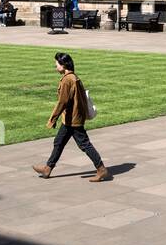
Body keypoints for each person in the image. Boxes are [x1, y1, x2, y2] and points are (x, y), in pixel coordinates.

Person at [32, 52, 111, 182]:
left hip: (73, 120)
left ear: (63, 65)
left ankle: (101, 169)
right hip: (71, 118)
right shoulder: (73, 77)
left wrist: (52, 119)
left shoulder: (67, 80)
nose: (55, 66)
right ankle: (48, 168)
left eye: (56, 64)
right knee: (59, 142)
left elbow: (62, 102)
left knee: (84, 144)